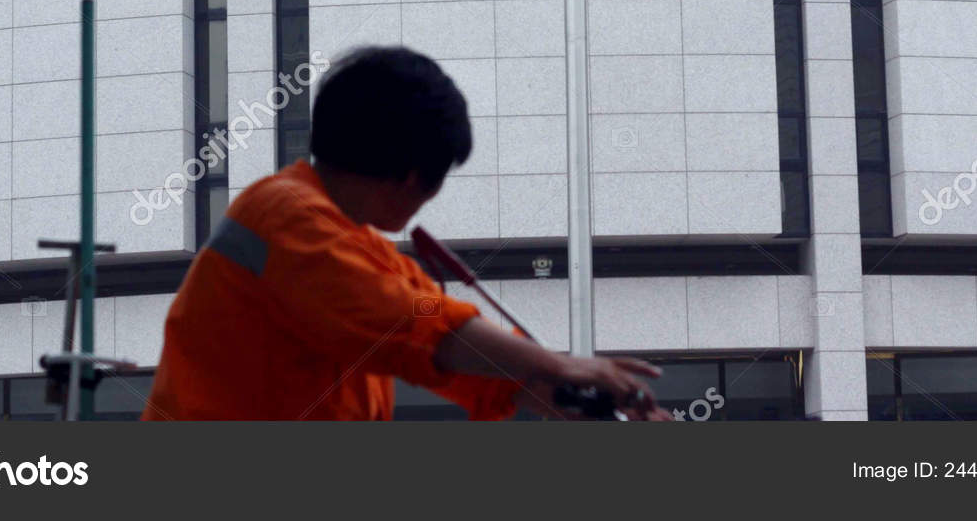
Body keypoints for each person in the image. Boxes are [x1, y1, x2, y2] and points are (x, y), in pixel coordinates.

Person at [142, 45, 663, 421]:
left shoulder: (355, 244)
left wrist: (575, 398)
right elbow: (415, 328)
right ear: (412, 172)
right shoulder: (284, 216)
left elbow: (447, 348)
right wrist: (562, 365)